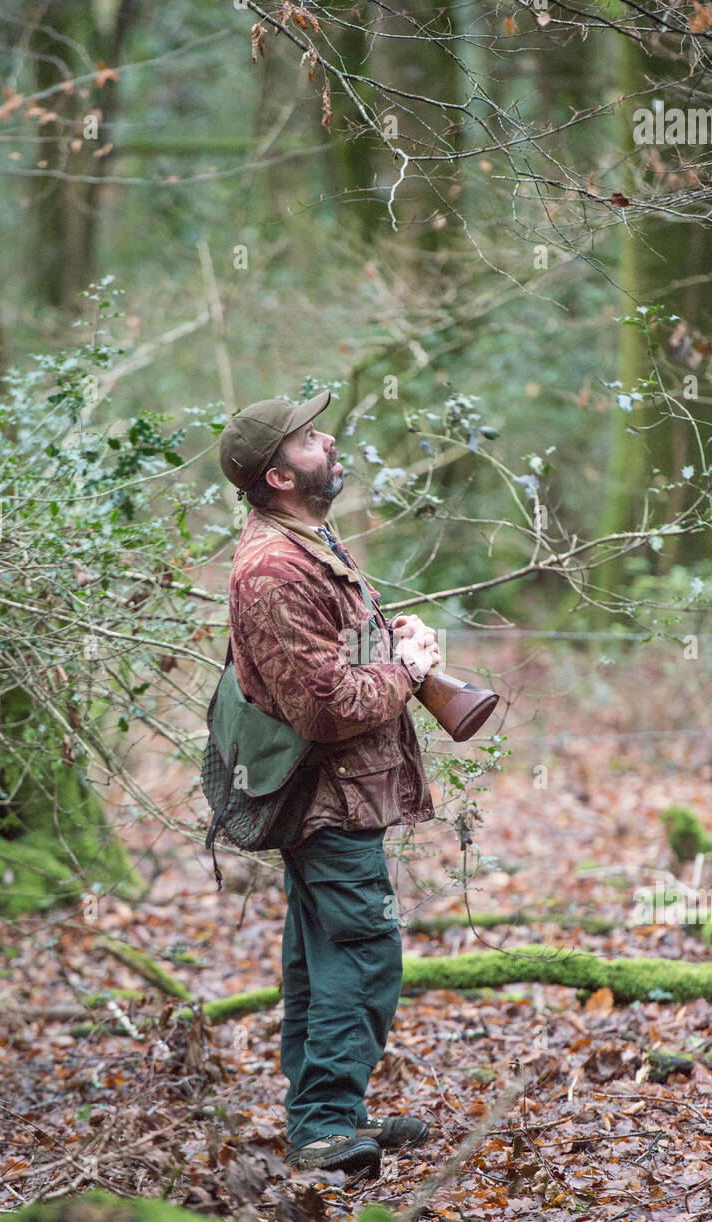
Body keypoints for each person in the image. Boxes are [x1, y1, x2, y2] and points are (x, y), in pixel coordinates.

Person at [219, 388, 440, 1178]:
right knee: (365, 952)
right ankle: (322, 1126)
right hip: (327, 797)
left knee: (320, 957)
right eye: (311, 438)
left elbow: (330, 656)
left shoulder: (307, 540)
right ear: (278, 476)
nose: (330, 440)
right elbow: (322, 705)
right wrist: (407, 675)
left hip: (338, 792)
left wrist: (393, 635)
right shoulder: (276, 568)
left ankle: (325, 1115)